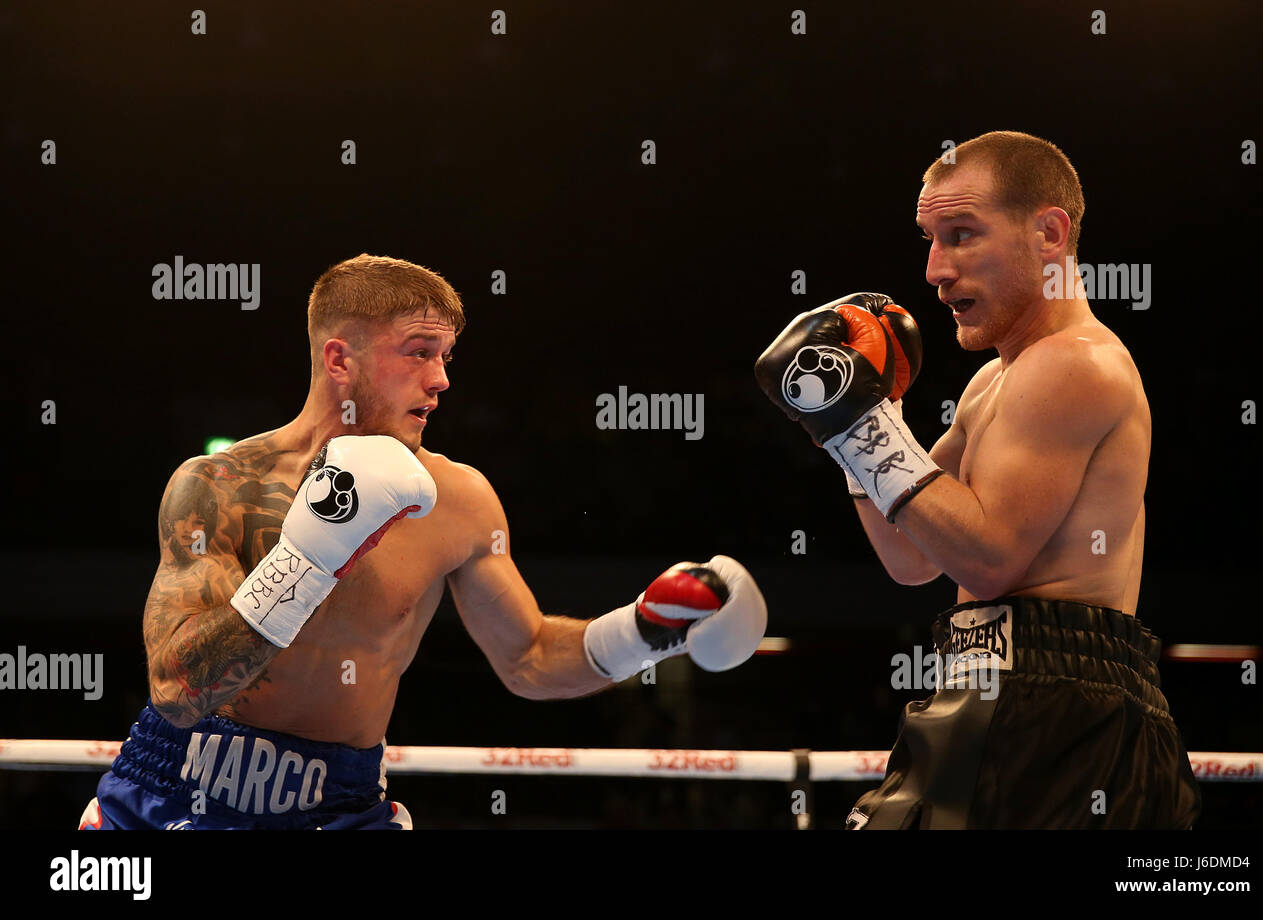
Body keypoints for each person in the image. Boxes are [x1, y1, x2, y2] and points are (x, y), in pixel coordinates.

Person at [79, 254, 766, 830]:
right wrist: (308, 559)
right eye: (419, 353)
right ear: (340, 358)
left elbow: (527, 657)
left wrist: (646, 631)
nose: (441, 379)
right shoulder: (221, 484)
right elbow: (177, 689)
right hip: (178, 785)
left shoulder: (459, 499)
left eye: (445, 356)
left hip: (338, 806)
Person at [755, 131, 1200, 829]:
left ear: (1049, 233)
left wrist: (858, 426)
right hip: (984, 684)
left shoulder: (1075, 364)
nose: (934, 269)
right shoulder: (992, 383)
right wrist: (863, 423)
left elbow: (989, 560)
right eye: (930, 239)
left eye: (961, 235)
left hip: (1063, 706)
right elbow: (910, 557)